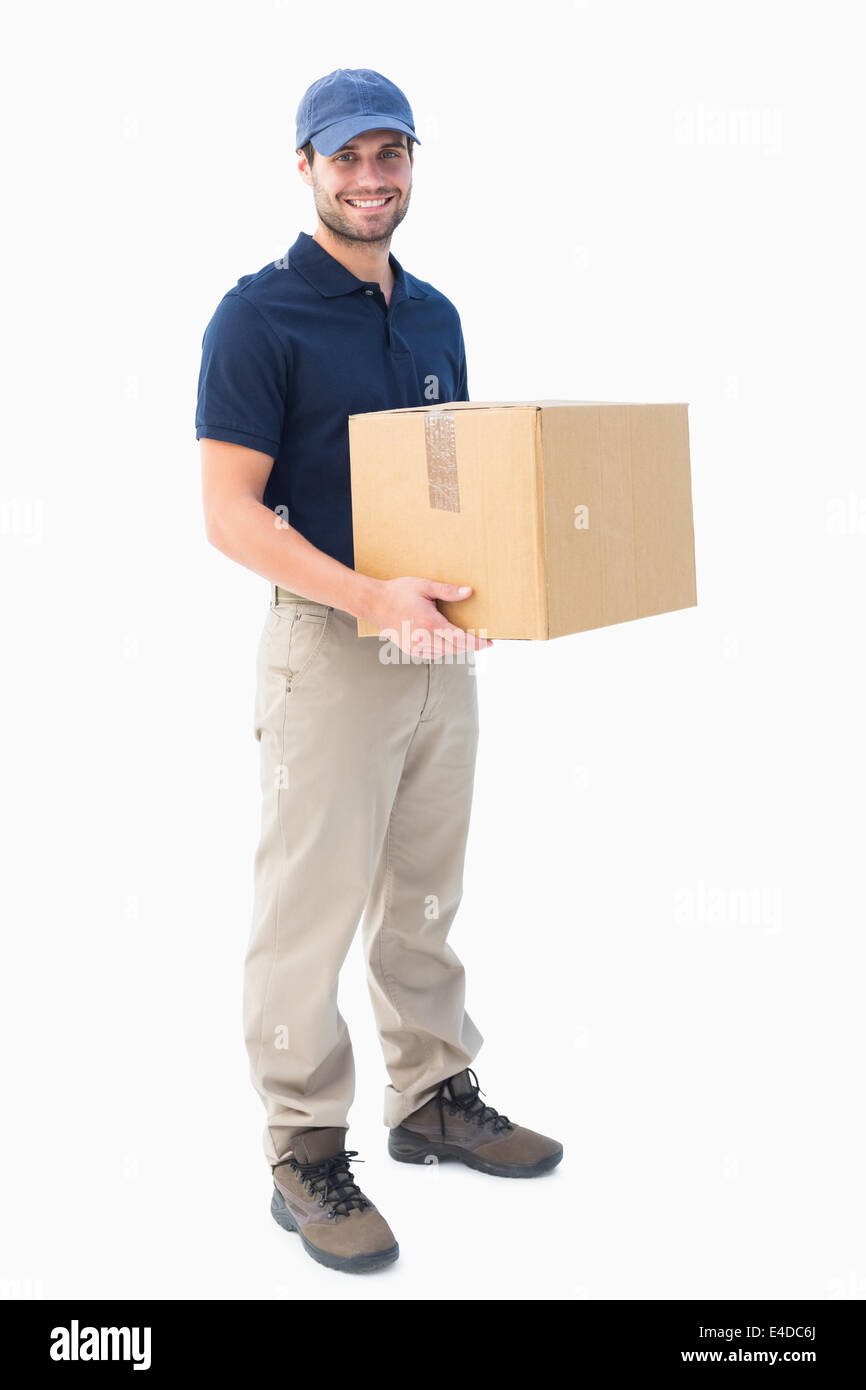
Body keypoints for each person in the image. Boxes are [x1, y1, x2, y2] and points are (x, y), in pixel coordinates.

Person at [196, 67, 563, 1274]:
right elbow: (229, 515)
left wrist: (483, 591)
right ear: (303, 168)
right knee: (307, 908)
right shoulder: (257, 318)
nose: (370, 179)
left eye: (388, 154)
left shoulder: (437, 312)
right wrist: (368, 600)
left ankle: (429, 1095)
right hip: (328, 644)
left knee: (422, 889)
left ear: (411, 163)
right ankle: (302, 1143)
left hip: (433, 647)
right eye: (345, 158)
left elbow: (443, 488)